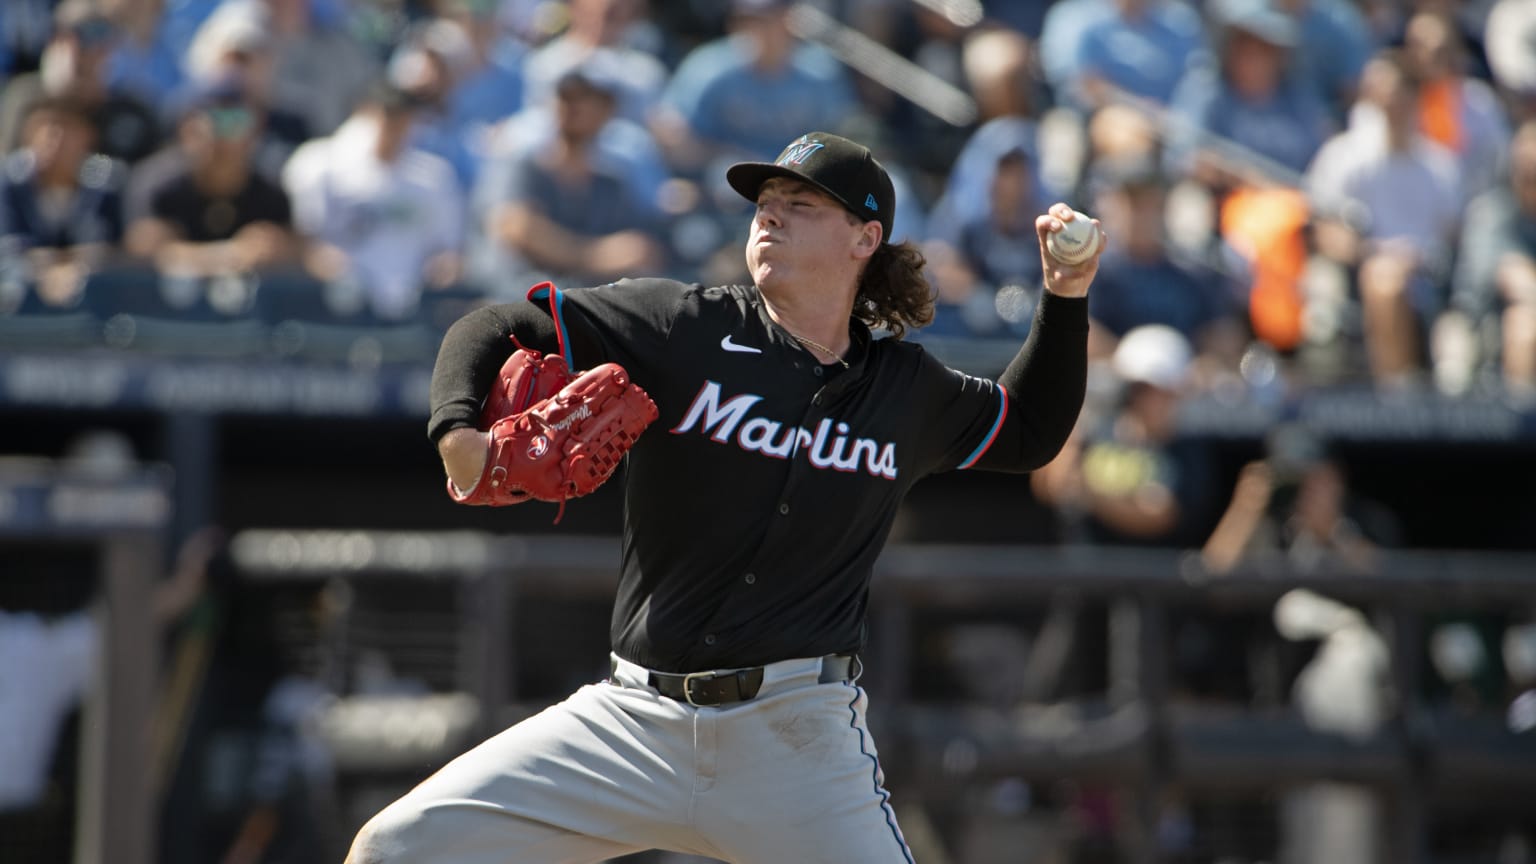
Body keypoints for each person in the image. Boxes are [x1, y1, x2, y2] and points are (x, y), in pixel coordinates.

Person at [346, 130, 1100, 863]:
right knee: (395, 849)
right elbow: (497, 323)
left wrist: (1065, 296)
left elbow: (1029, 431)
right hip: (634, 720)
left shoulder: (907, 393)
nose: (769, 214)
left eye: (801, 204)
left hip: (796, 738)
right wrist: (456, 433)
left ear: (865, 239)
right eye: (765, 200)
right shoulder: (685, 326)